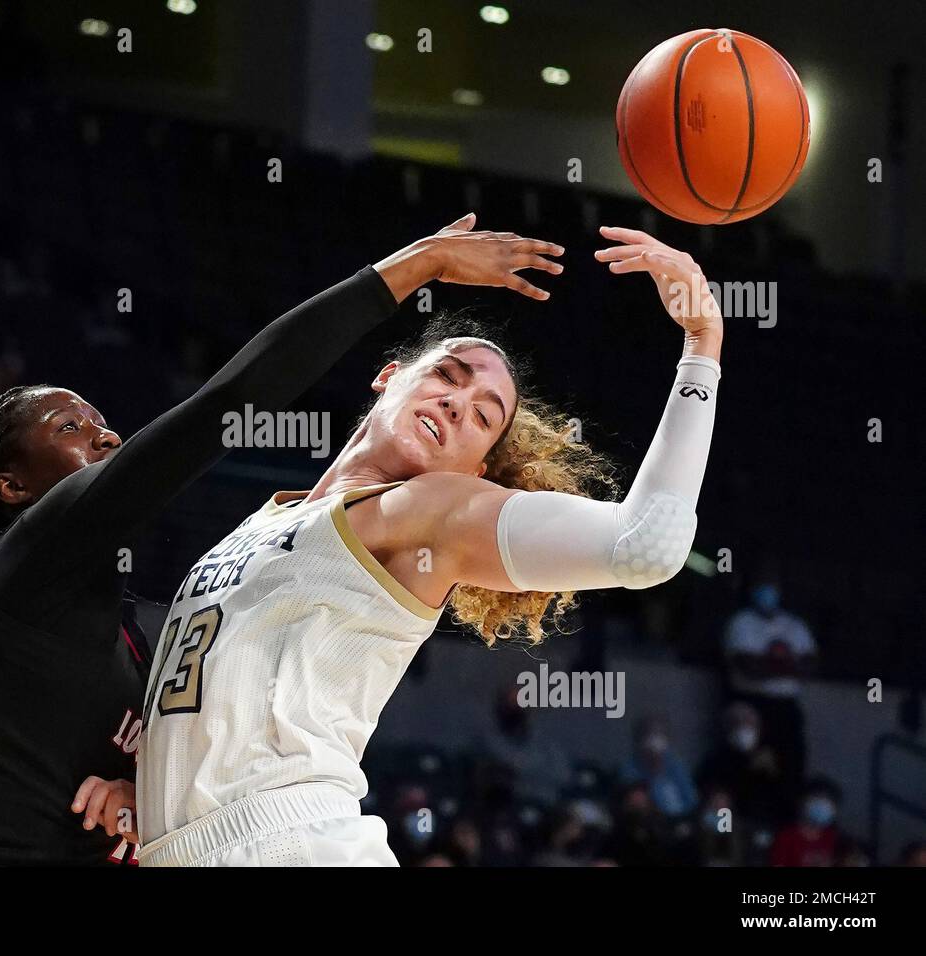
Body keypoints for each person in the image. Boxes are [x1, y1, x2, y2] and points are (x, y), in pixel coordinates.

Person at [0, 214, 564, 865]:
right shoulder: (30, 559)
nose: (105, 434)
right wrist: (418, 264)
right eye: (68, 429)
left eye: (102, 421)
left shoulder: (122, 637)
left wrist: (137, 791)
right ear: (11, 488)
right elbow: (230, 400)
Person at [137, 225, 723, 866]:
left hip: (291, 842)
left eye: (482, 416)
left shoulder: (428, 514)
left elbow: (647, 545)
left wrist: (701, 346)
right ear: (387, 377)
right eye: (447, 376)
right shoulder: (260, 524)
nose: (456, 404)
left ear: (473, 473)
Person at [723, 567, 817, 804]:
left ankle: (783, 825)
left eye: (772, 584)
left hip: (785, 708)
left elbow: (810, 666)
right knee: (748, 767)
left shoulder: (794, 625)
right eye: (762, 584)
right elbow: (747, 667)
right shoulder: (741, 622)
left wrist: (769, 665)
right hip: (750, 707)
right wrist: (788, 665)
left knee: (789, 767)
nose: (768, 591)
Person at [696, 701, 787, 827]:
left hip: (765, 823)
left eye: (748, 722)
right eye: (737, 723)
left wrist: (772, 770)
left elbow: (784, 795)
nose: (743, 728)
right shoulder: (715, 761)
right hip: (728, 825)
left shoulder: (771, 758)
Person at [617, 714, 698, 818]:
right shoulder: (629, 770)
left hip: (683, 821)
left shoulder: (676, 765)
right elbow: (636, 803)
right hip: (653, 823)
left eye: (660, 734)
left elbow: (692, 800)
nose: (655, 740)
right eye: (650, 735)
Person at [769, 777, 843, 867]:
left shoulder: (834, 838)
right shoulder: (786, 837)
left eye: (829, 801)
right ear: (801, 802)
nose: (823, 806)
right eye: (818, 798)